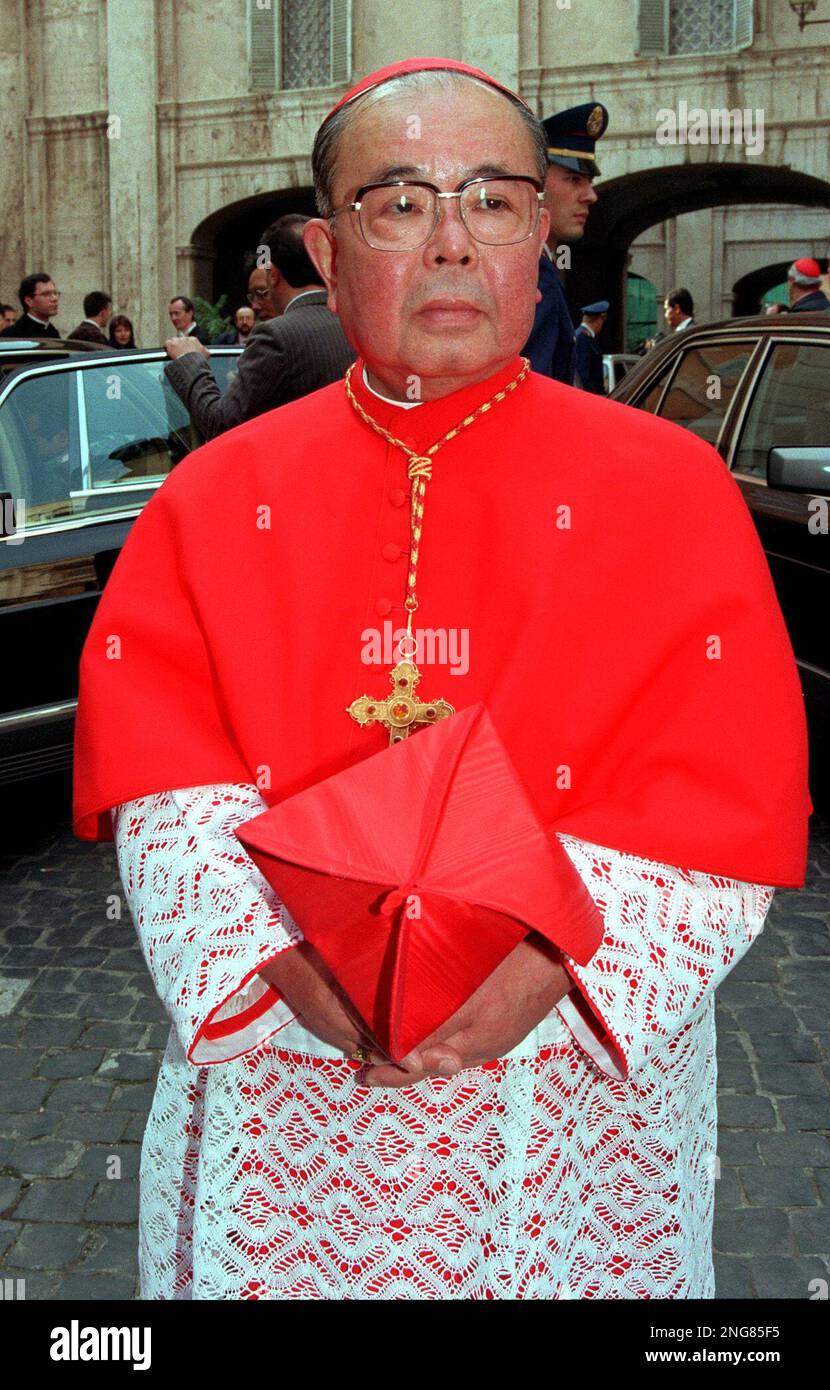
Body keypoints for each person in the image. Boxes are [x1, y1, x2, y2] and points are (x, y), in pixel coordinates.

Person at [73, 56, 809, 1302]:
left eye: (493, 200)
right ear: (326, 245)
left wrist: (539, 970)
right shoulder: (215, 497)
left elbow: (717, 794)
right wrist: (288, 967)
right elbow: (162, 779)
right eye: (399, 203)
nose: (453, 243)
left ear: (541, 235)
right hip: (286, 1089)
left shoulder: (670, 490)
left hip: (568, 1098)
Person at [163, 214, 355, 439]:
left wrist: (190, 361)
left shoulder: (276, 335)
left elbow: (223, 425)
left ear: (272, 275)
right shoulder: (355, 323)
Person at [522, 102, 608, 383]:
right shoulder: (535, 276)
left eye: (589, 181)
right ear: (536, 187)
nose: (591, 196)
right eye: (574, 179)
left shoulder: (539, 267)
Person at [0, 273, 61, 338]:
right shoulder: (12, 335)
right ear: (29, 301)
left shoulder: (52, 331)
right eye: (46, 294)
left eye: (55, 293)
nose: (54, 298)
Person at [573, 299, 608, 394]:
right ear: (599, 321)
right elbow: (583, 375)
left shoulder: (581, 336)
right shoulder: (583, 339)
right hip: (588, 397)